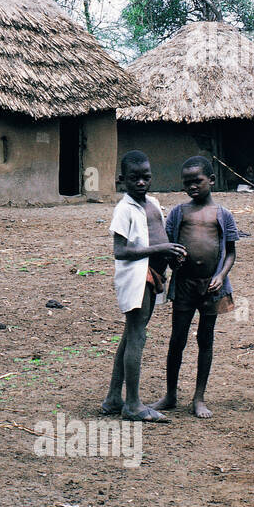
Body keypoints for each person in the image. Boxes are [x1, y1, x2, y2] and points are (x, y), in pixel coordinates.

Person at [100, 151, 185, 422]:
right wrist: (160, 248)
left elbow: (159, 232)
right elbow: (120, 251)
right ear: (121, 180)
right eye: (134, 179)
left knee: (131, 336)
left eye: (145, 178)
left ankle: (114, 398)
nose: (140, 183)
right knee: (137, 336)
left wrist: (170, 255)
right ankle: (133, 405)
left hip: (153, 276)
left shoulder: (153, 203)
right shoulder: (124, 209)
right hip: (137, 277)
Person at [153, 157, 238, 418]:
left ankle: (199, 397)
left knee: (205, 339)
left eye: (197, 181)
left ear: (211, 180)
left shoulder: (222, 215)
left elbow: (231, 253)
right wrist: (173, 258)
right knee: (177, 339)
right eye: (187, 182)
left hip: (211, 287)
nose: (192, 186)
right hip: (185, 285)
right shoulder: (179, 213)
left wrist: (221, 275)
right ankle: (170, 395)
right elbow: (168, 245)